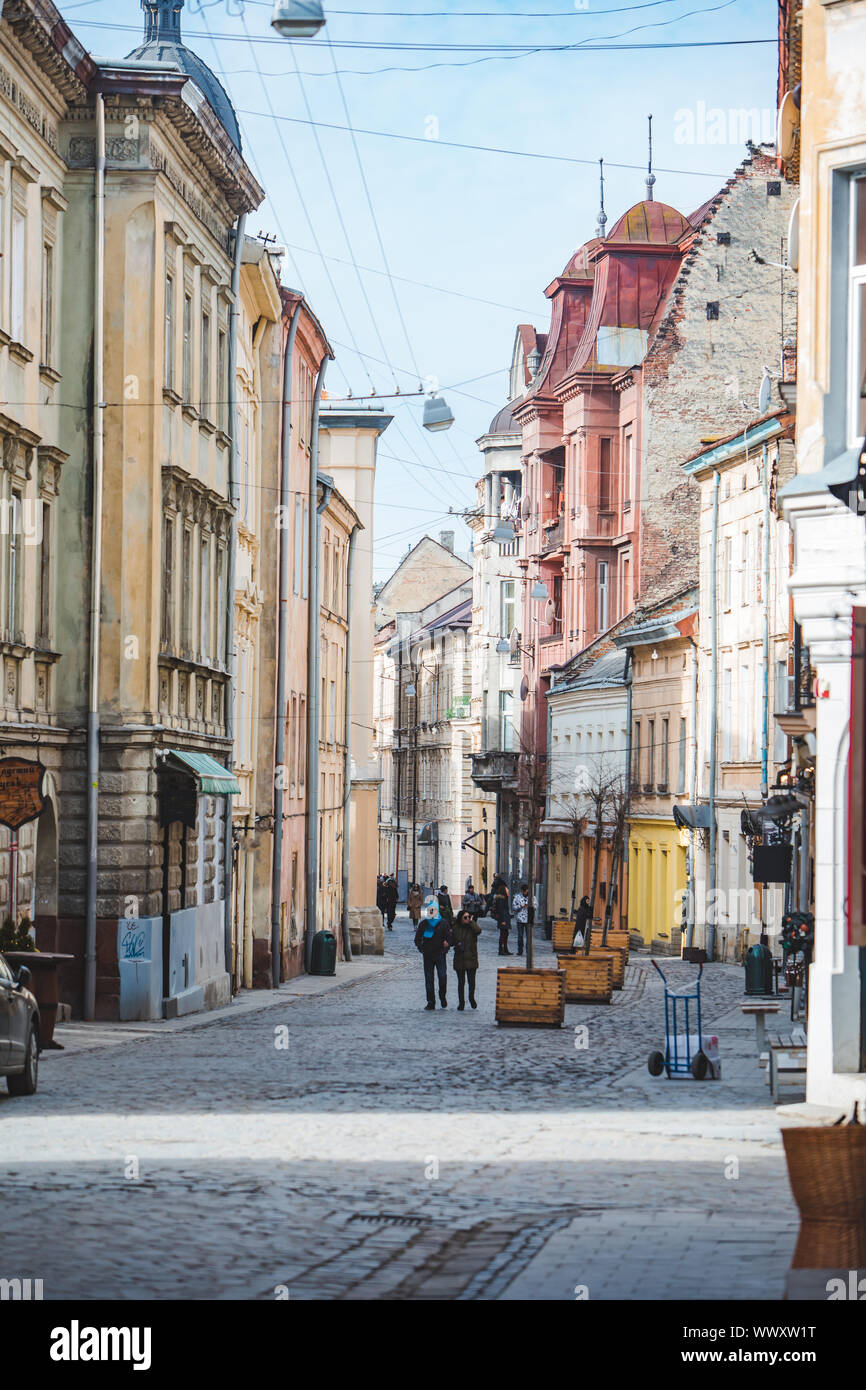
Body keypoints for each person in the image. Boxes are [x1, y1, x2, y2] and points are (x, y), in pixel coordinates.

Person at [414, 895, 451, 1009]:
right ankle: (431, 1001)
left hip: (440, 954)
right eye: (430, 910)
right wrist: (422, 949)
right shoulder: (424, 924)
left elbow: (450, 938)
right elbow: (417, 939)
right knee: (429, 979)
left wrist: (446, 946)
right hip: (428, 955)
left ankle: (442, 996)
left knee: (442, 976)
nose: (431, 912)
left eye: (433, 910)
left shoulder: (443, 923)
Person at [450, 907, 481, 1010]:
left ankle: (471, 998)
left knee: (471, 982)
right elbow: (451, 941)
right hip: (459, 958)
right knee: (461, 983)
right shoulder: (455, 928)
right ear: (460, 918)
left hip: (471, 958)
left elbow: (478, 931)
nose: (467, 919)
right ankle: (461, 1002)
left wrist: (472, 922)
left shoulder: (472, 927)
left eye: (468, 917)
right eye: (465, 917)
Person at [492, 883, 511, 955]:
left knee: (506, 933)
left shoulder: (504, 898)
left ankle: (505, 949)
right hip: (503, 919)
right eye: (506, 889)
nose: (507, 890)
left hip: (505, 918)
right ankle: (501, 950)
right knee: (503, 934)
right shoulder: (501, 899)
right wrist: (503, 920)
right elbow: (501, 910)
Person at [512, 882, 530, 956]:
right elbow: (513, 907)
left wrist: (530, 906)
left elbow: (536, 905)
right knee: (520, 936)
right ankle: (520, 950)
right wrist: (520, 906)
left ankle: (528, 951)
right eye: (523, 891)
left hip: (529, 919)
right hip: (520, 919)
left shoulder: (531, 897)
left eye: (526, 891)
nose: (525, 892)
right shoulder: (517, 897)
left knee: (529, 936)